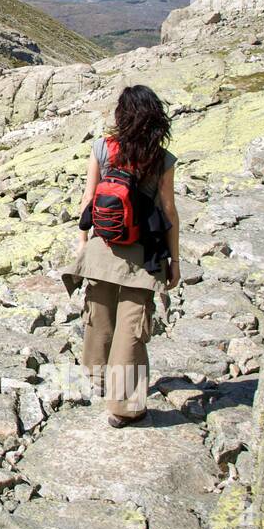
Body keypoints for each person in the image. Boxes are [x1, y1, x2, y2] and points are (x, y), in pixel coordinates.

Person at [62, 85, 180, 428]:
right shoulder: (162, 159)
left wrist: (83, 243)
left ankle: (98, 376)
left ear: (122, 116)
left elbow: (89, 198)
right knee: (132, 329)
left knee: (98, 316)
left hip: (102, 248)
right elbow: (169, 212)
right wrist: (174, 261)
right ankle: (124, 406)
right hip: (142, 257)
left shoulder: (101, 147)